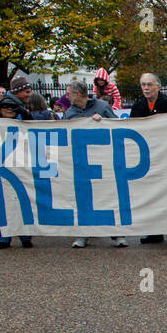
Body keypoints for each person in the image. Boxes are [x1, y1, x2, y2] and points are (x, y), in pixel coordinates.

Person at [62, 80, 125, 248]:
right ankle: (83, 234)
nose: (67, 97)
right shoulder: (69, 113)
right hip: (81, 163)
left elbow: (117, 128)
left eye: (69, 94)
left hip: (103, 160)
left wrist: (102, 122)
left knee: (108, 196)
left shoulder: (102, 107)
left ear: (77, 94)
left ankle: (116, 234)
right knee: (82, 198)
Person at [131, 73, 167, 247]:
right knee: (150, 193)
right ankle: (154, 231)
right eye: (143, 85)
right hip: (147, 158)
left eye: (149, 85)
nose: (146, 88)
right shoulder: (138, 106)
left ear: (158, 86)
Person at [0, 95, 35, 248]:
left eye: (12, 107)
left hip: (21, 166)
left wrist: (23, 111)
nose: (9, 110)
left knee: (23, 200)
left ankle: (25, 236)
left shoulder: (24, 122)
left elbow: (34, 124)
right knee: (4, 202)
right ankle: (4, 237)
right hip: (1, 167)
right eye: (5, 107)